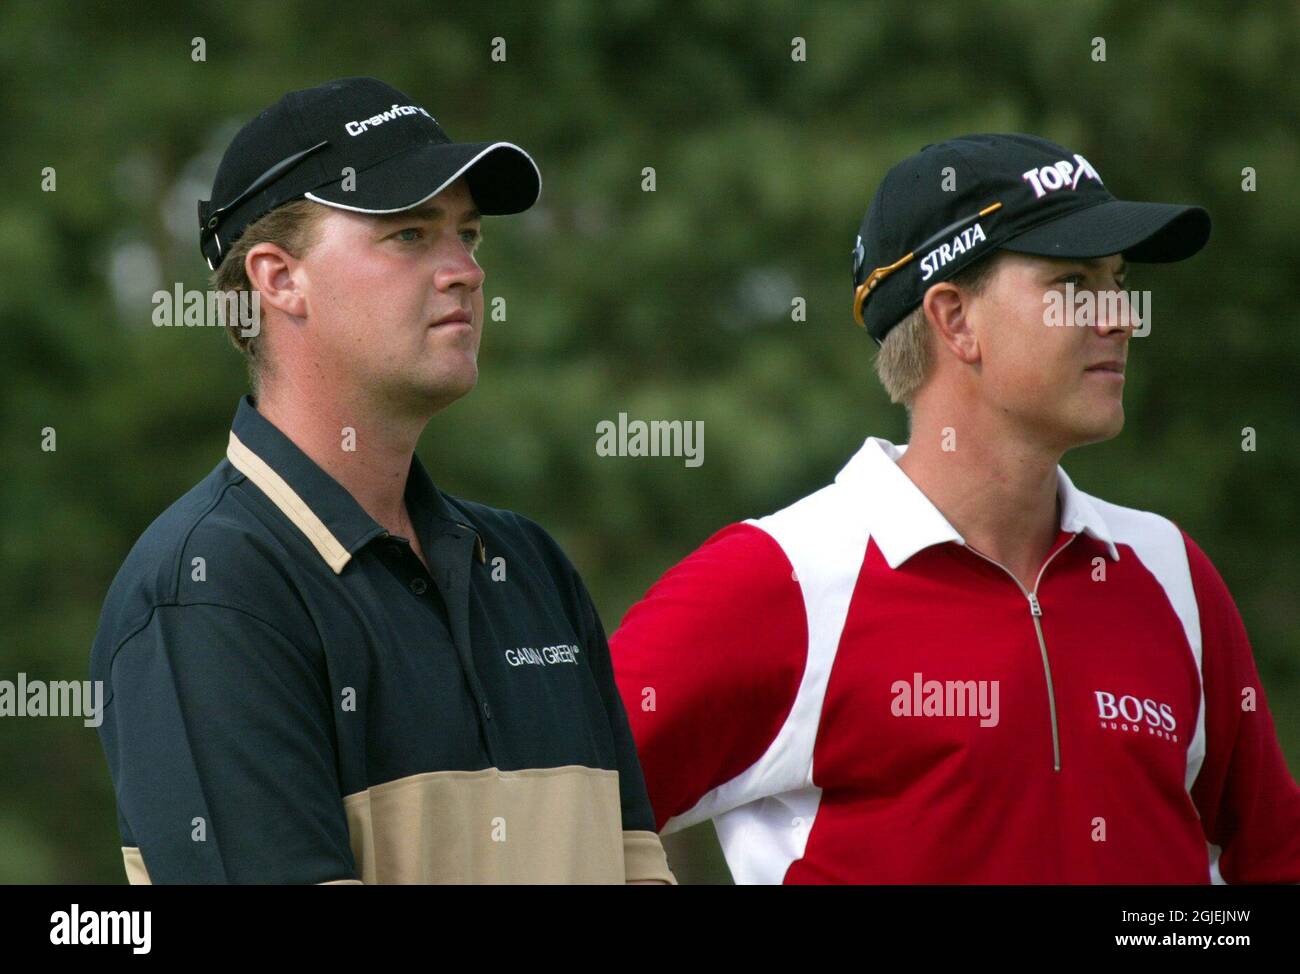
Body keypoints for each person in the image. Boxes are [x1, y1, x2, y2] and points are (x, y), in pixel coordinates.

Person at [609, 133, 1300, 884]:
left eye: (1119, 279)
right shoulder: (780, 578)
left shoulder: (1169, 569)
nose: (1122, 317)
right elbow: (552, 818)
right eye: (1074, 284)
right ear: (954, 318)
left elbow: (1271, 855)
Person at [90, 77, 674, 884]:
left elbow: (637, 869)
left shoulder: (529, 565)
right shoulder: (208, 590)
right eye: (409, 235)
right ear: (277, 278)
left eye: (468, 234)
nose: (464, 270)